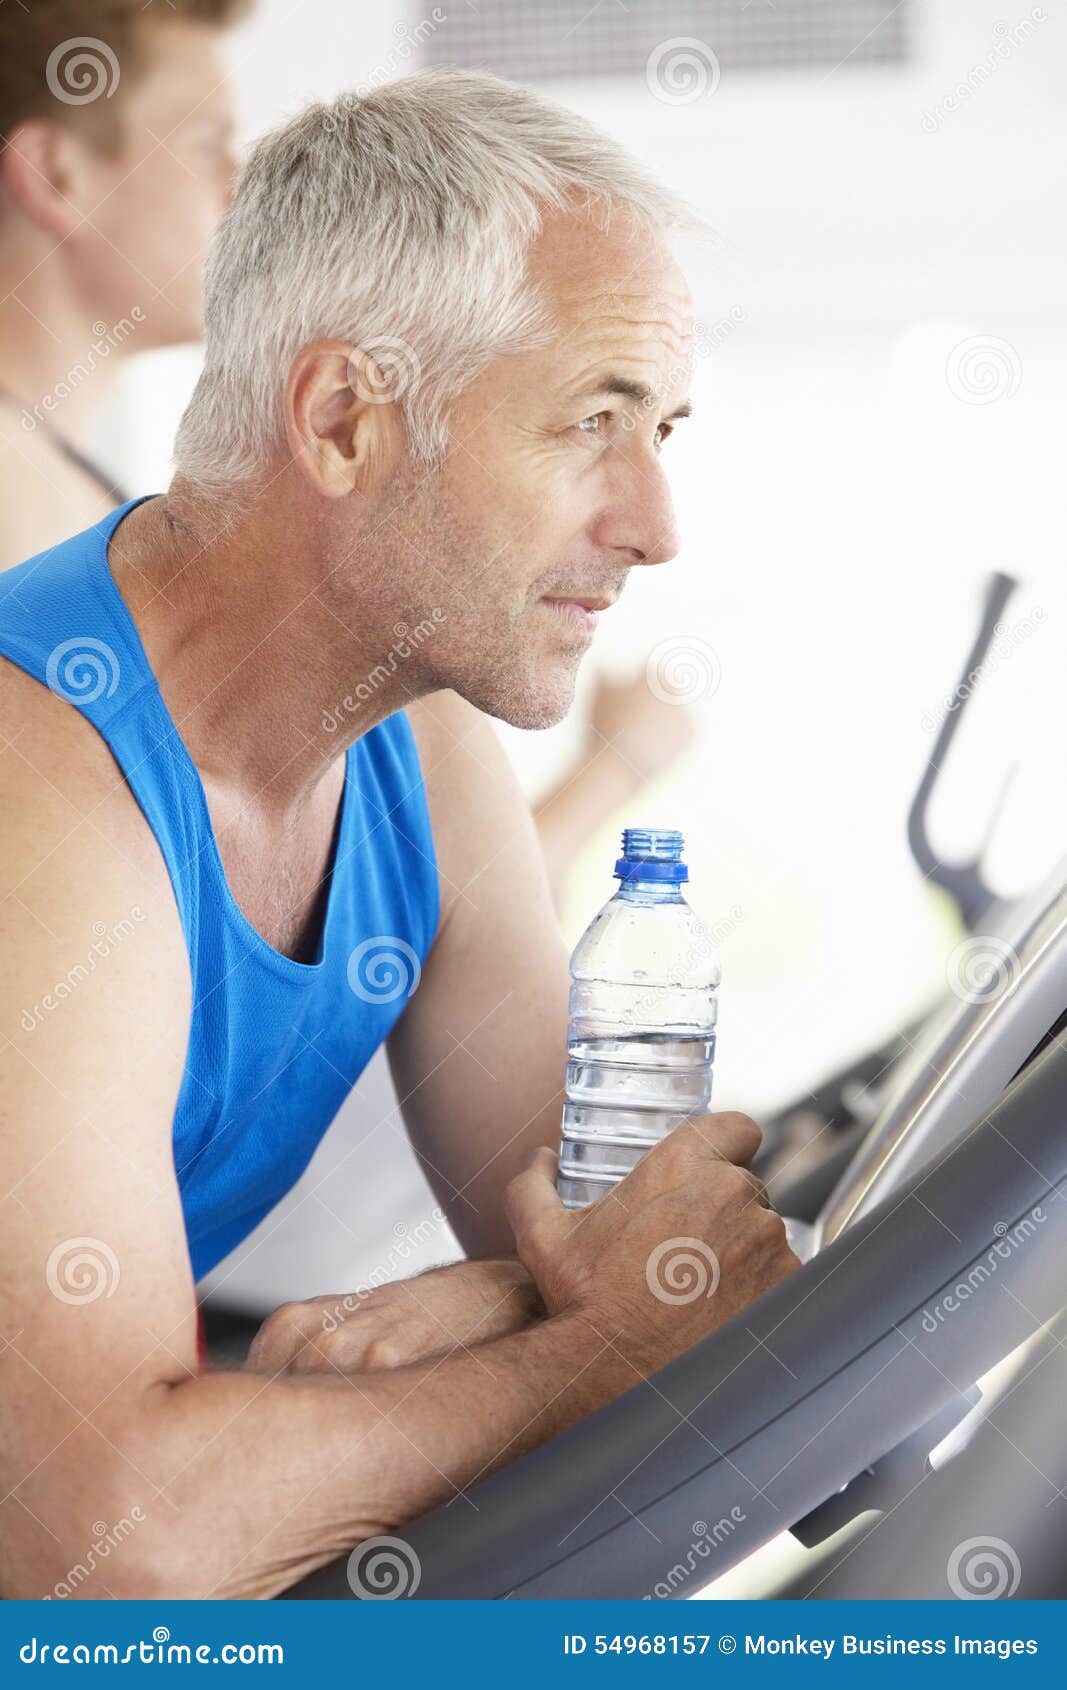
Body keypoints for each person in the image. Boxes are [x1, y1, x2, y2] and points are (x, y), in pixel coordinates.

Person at [0, 69, 799, 1599]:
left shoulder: (412, 740)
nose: (653, 522)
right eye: (592, 422)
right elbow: (114, 1547)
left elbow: (621, 1231)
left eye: (664, 431)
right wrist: (597, 1344)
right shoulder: (40, 792)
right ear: (345, 419)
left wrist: (498, 1311)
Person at [0, 0, 247, 559]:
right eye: (209, 146)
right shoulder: (23, 518)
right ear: (55, 174)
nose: (238, 194)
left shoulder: (46, 497)